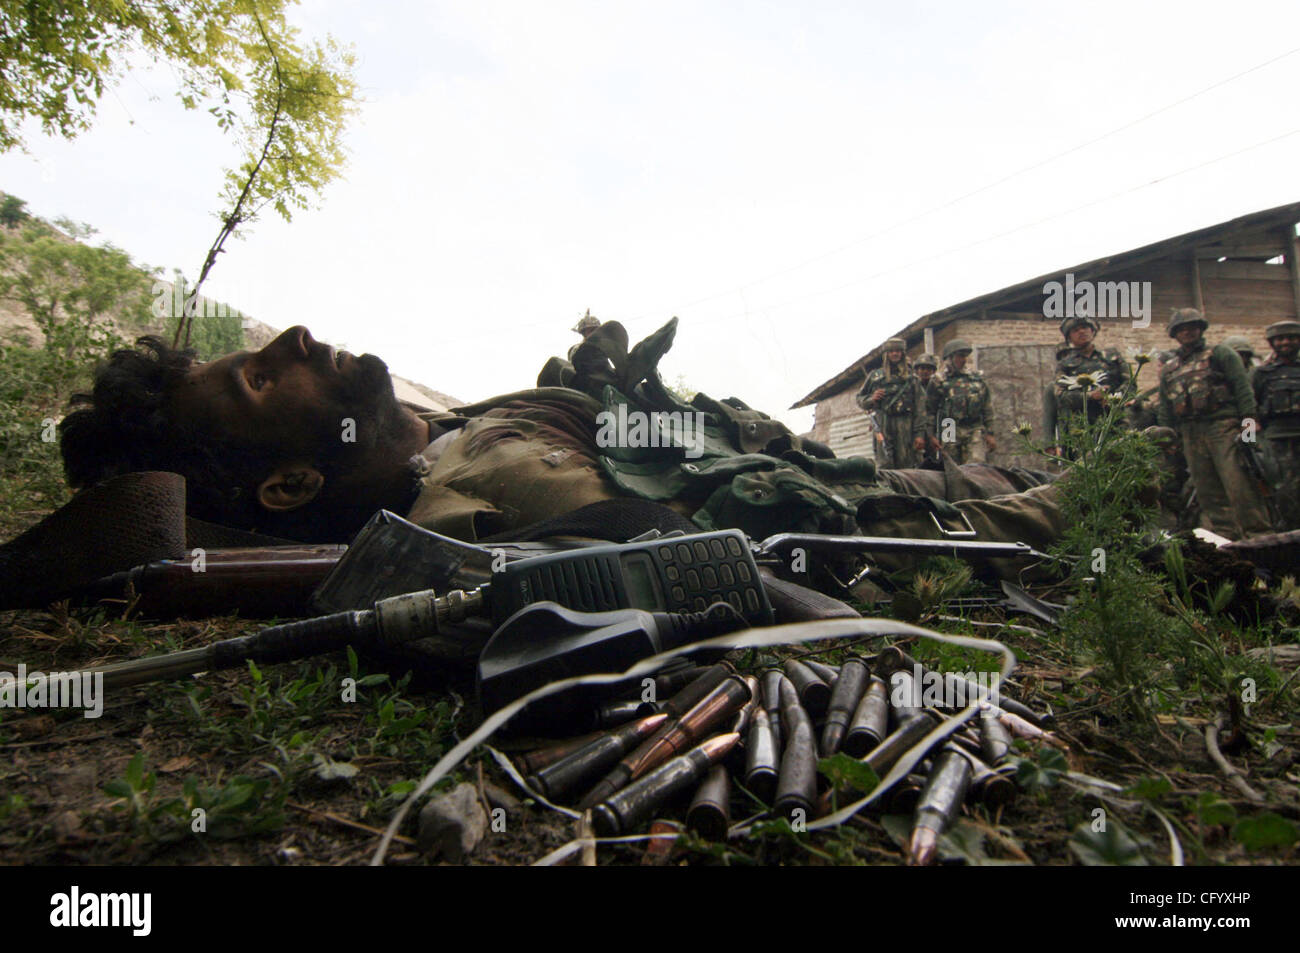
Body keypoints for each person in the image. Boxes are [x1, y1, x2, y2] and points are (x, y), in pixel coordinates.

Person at [58, 322, 1071, 576]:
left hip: (856, 466)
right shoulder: (486, 499)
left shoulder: (457, 432)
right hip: (937, 500)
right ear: (289, 480)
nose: (287, 341)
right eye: (259, 379)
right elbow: (829, 542)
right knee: (1087, 485)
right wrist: (1071, 510)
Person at [1156, 308, 1270, 540]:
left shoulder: (1221, 354)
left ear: (1201, 329)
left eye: (1192, 326)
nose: (1187, 331)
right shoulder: (1169, 369)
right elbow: (1165, 406)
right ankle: (1228, 538)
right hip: (1190, 434)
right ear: (1174, 334)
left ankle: (1259, 536)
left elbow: (1243, 389)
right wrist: (1167, 439)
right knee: (1207, 491)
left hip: (1223, 428)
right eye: (1181, 328)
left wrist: (1249, 429)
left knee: (1239, 485)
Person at [1042, 314, 1130, 457]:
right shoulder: (1065, 365)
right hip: (1082, 432)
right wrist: (1090, 396)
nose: (1082, 332)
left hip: (1115, 423)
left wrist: (1115, 398)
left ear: (1093, 331)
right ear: (1069, 337)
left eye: (1085, 328)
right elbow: (1060, 396)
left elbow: (1129, 383)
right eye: (1075, 330)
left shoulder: (1112, 357)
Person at [1252, 320, 1300, 530]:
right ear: (1272, 343)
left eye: (1291, 338)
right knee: (1284, 490)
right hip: (1276, 440)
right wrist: (1248, 441)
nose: (1285, 342)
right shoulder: (1262, 373)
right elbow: (1248, 407)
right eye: (1280, 339)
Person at [854, 337, 925, 469]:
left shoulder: (911, 378)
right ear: (886, 354)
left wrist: (919, 434)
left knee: (906, 465)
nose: (895, 354)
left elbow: (920, 408)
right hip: (883, 423)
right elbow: (859, 398)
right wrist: (871, 399)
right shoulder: (875, 376)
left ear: (903, 353)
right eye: (891, 351)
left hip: (905, 425)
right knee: (885, 464)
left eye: (898, 351)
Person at [933, 339, 995, 464]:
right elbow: (930, 410)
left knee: (976, 466)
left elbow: (987, 407)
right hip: (949, 425)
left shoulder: (976, 379)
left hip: (974, 426)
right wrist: (932, 436)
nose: (964, 360)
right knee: (951, 465)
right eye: (960, 356)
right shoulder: (939, 381)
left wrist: (990, 433)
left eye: (965, 356)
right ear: (949, 358)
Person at [914, 353, 941, 466]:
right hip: (917, 431)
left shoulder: (938, 387)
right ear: (917, 370)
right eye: (922, 368)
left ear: (933, 371)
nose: (925, 371)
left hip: (936, 429)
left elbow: (945, 412)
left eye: (928, 369)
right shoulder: (911, 387)